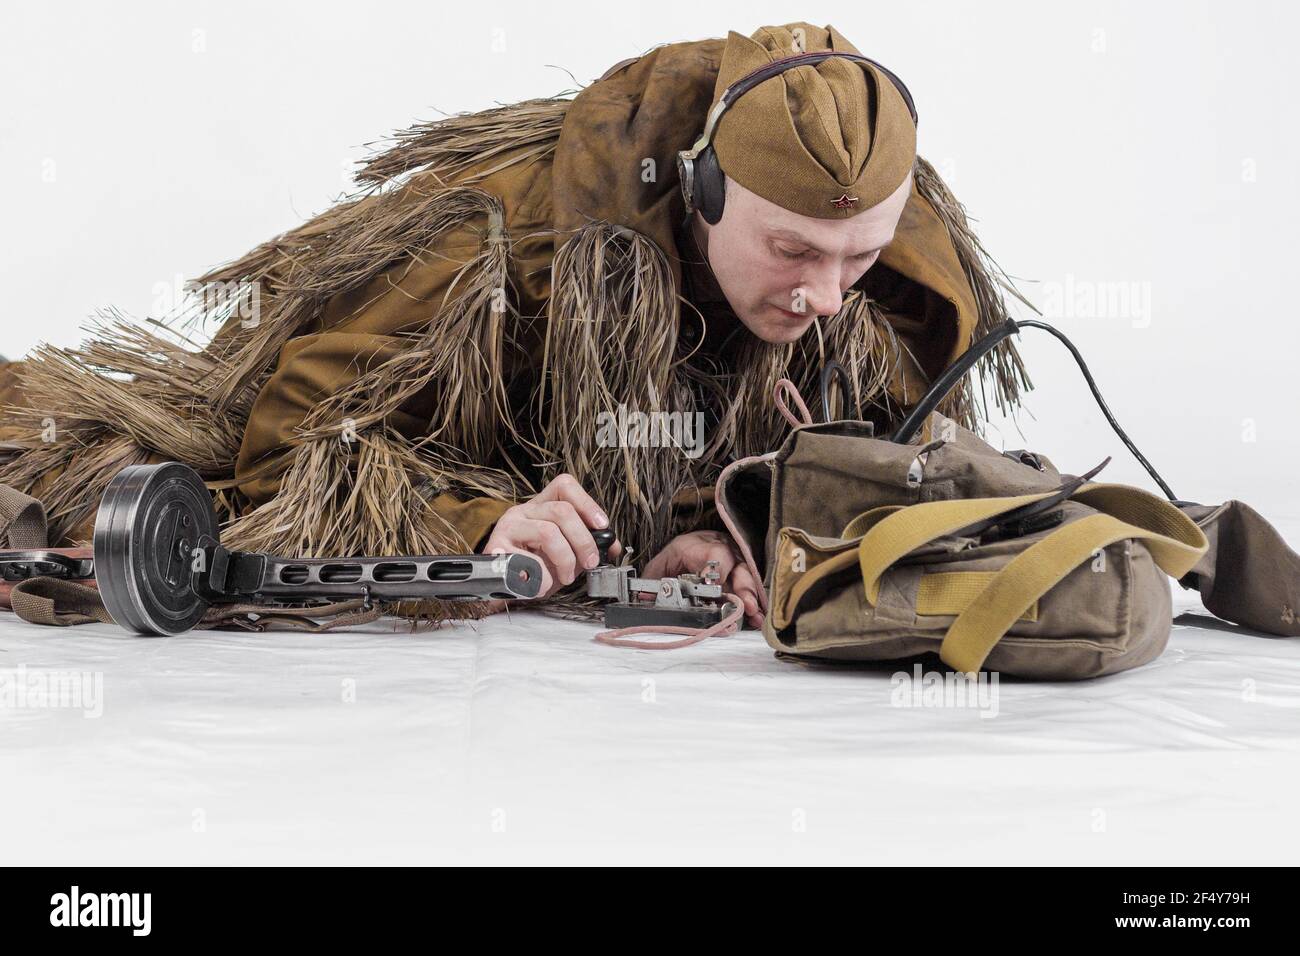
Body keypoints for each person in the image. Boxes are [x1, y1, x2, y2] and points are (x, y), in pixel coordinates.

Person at [0, 22, 1029, 628]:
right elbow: (291, 439)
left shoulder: (889, 267)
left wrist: (711, 529)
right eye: (792, 252)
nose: (825, 296)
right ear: (701, 193)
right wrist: (474, 530)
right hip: (319, 427)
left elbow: (866, 451)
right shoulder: (498, 243)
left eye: (856, 255)